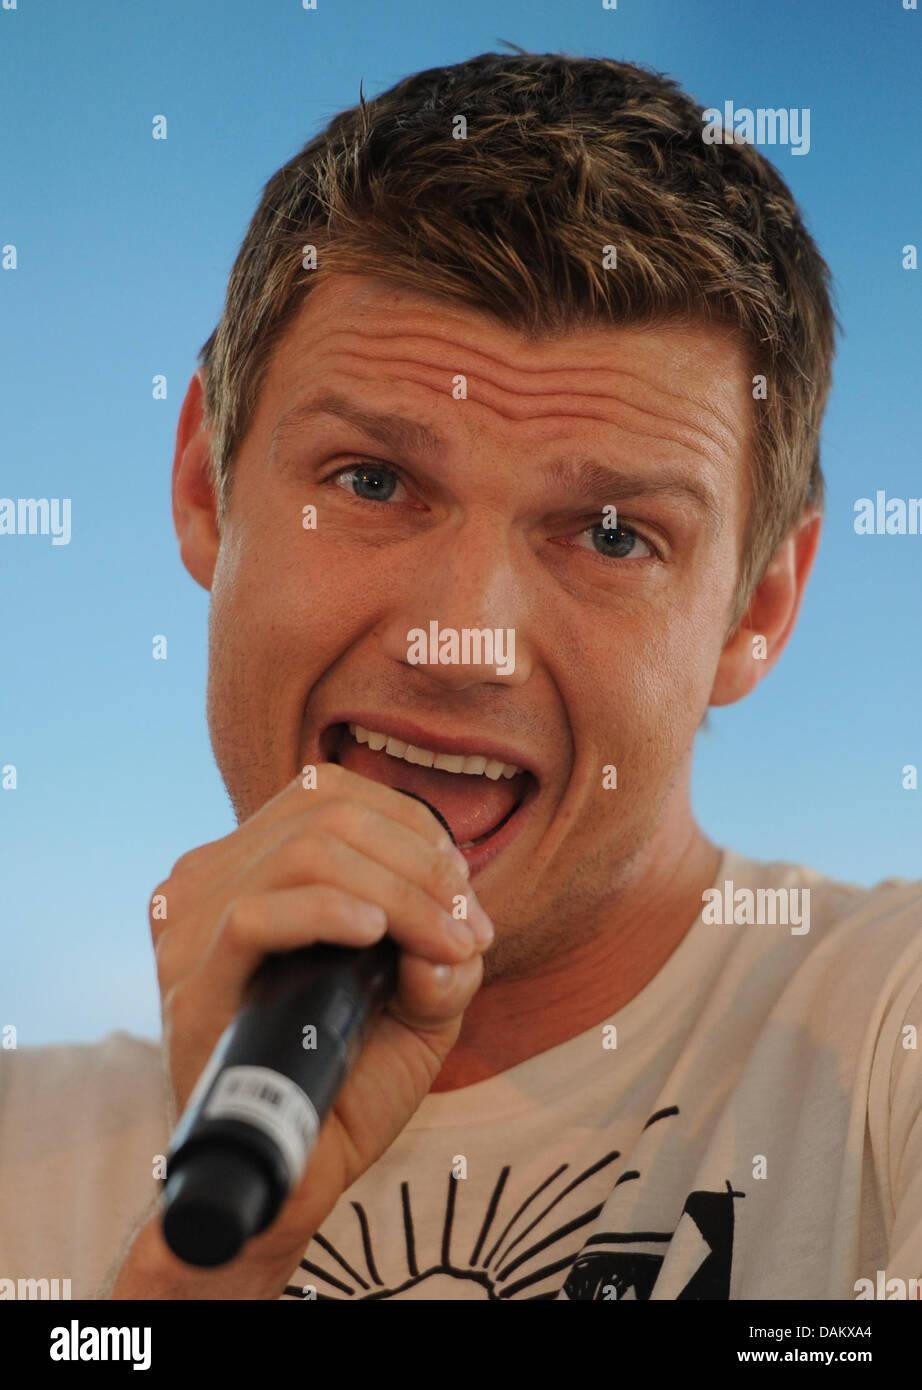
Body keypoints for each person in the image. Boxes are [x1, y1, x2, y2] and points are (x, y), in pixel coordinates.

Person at [2, 50, 920, 1304]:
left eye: (610, 535)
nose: (460, 639)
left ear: (756, 609)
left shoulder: (889, 1035)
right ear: (205, 483)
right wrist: (204, 1271)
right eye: (372, 481)